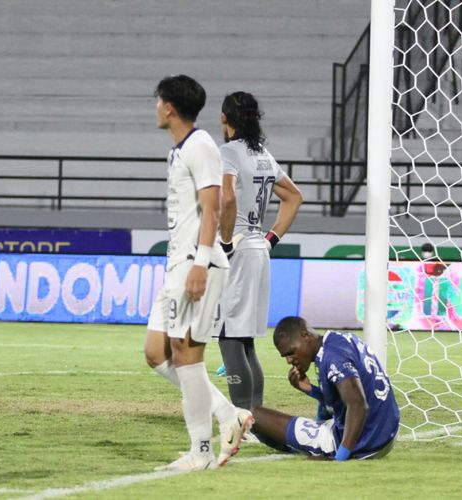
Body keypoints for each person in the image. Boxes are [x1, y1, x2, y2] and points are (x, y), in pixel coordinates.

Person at [143, 75, 253, 471]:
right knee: (157, 354)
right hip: (178, 266)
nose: (155, 107)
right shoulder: (180, 150)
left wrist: (202, 262)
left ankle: (200, 453)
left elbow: (215, 204)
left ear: (169, 106)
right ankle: (229, 414)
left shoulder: (201, 145)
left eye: (157, 101)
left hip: (195, 266)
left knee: (188, 358)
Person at [216, 91, 303, 413]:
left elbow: (227, 199)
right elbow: (294, 197)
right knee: (245, 339)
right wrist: (271, 238)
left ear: (225, 118)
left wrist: (225, 243)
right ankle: (257, 416)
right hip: (258, 249)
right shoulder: (263, 154)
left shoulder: (229, 152)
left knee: (228, 336)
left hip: (237, 249)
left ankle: (242, 417)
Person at [249, 316, 400, 460]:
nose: (289, 360)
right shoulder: (339, 339)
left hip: (365, 442)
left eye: (291, 352)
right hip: (384, 433)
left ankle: (303, 448)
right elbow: (342, 398)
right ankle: (309, 443)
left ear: (305, 335)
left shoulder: (332, 357)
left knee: (253, 416)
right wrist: (310, 389)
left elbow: (358, 405)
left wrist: (339, 458)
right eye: (285, 356)